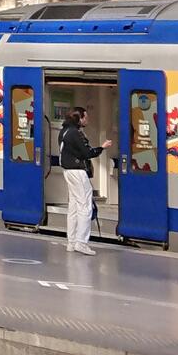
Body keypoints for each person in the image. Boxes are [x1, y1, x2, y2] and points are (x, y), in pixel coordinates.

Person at [60, 106, 111, 254]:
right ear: (79, 118)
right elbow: (87, 153)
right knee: (85, 206)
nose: (87, 120)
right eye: (85, 117)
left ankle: (71, 242)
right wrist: (102, 147)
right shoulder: (75, 133)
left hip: (68, 171)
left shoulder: (64, 131)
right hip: (78, 172)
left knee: (74, 206)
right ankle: (81, 243)